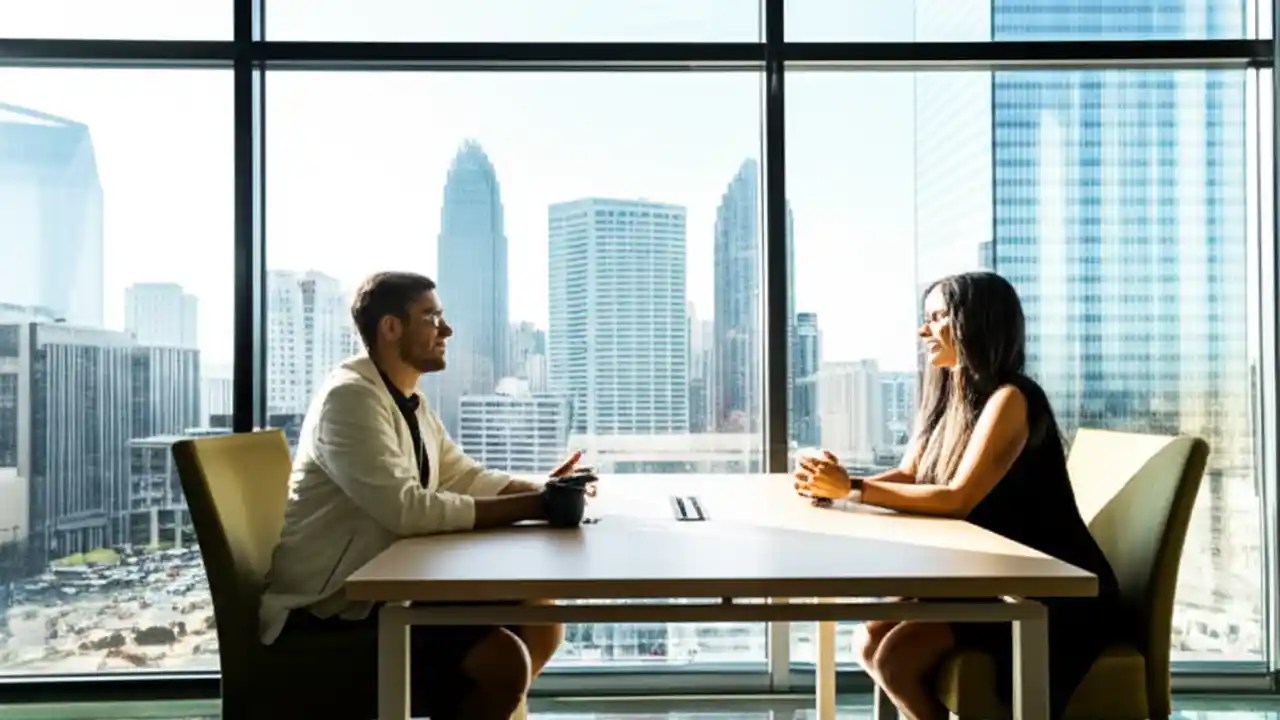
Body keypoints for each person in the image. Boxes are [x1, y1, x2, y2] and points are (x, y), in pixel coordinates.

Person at [793, 271, 1123, 720]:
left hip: (1053, 596)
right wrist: (837, 487)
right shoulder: (948, 397)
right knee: (869, 637)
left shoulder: (1012, 398)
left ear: (975, 323)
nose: (922, 330)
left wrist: (853, 489)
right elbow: (911, 475)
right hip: (998, 581)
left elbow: (957, 498)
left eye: (937, 317)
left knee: (897, 657)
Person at [259, 271, 580, 720]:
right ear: (391, 328)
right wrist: (537, 507)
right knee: (504, 662)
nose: (445, 330)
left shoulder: (407, 397)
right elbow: (406, 509)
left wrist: (543, 489)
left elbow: (460, 474)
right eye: (431, 317)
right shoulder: (350, 400)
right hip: (334, 607)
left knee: (540, 617)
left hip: (390, 588)